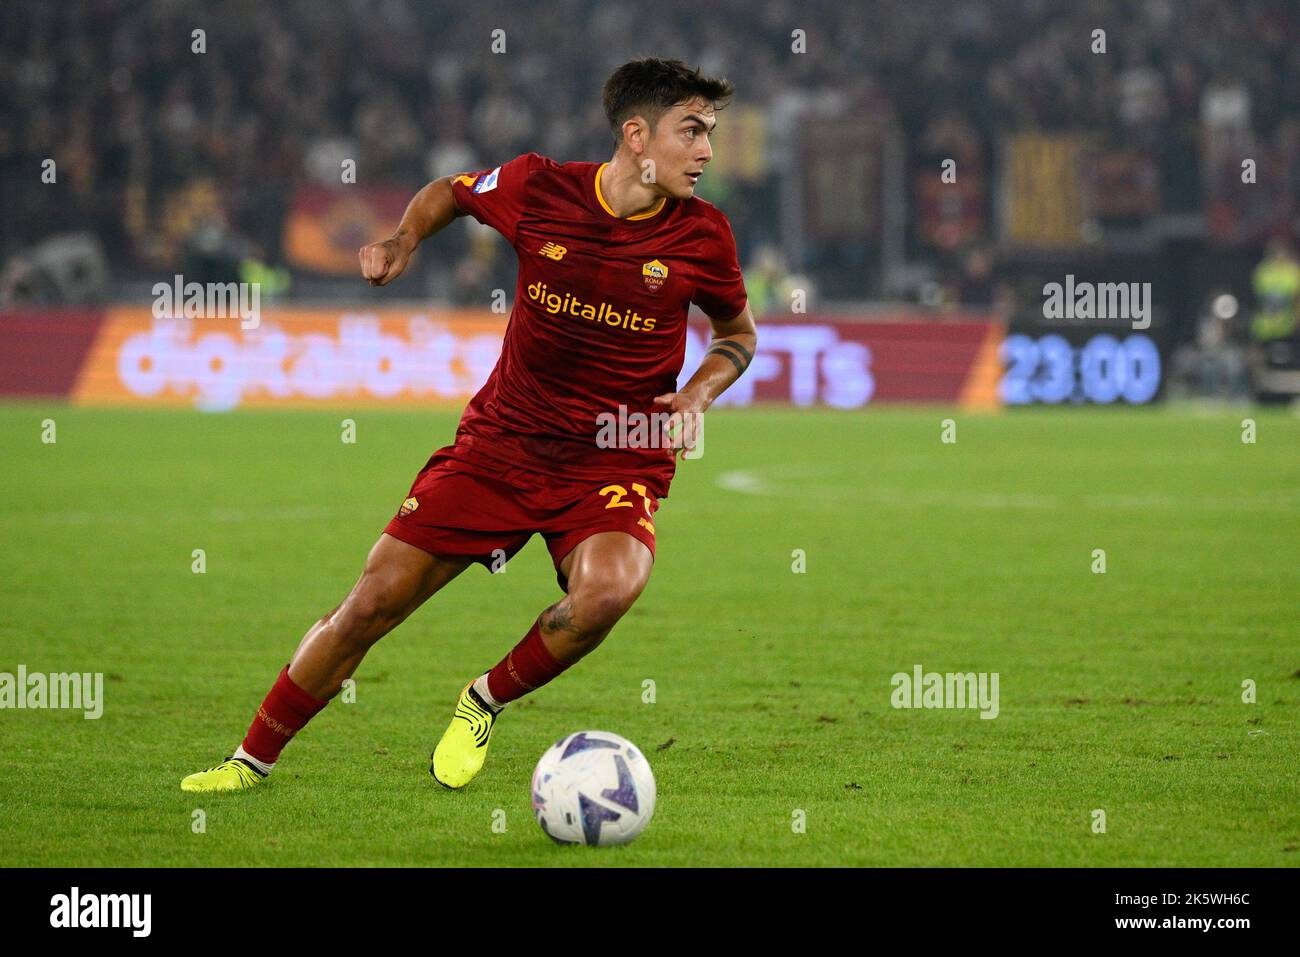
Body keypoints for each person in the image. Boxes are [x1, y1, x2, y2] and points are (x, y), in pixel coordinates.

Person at [181, 57, 757, 792]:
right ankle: (247, 761)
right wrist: (402, 241)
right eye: (693, 131)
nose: (708, 150)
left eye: (710, 132)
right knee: (371, 603)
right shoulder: (538, 187)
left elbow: (737, 335)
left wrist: (698, 394)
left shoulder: (704, 236)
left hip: (615, 454)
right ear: (637, 135)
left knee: (608, 591)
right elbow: (448, 194)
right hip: (502, 443)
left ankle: (483, 698)